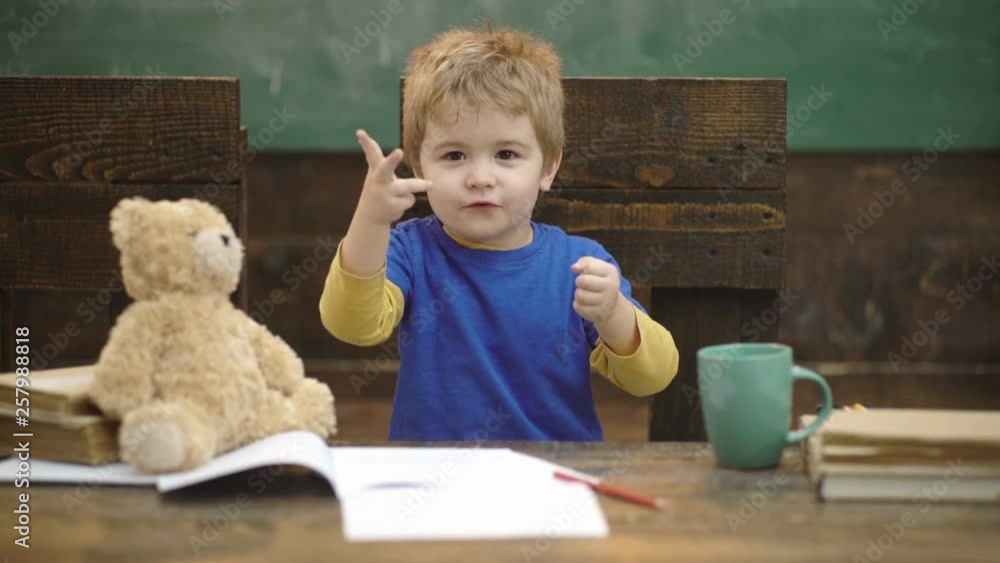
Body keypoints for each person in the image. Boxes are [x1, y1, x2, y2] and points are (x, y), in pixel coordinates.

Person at [320, 24, 679, 441]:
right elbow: (351, 325)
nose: (480, 178)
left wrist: (614, 313)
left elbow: (653, 377)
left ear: (547, 168)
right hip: (432, 486)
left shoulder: (580, 264)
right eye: (454, 155)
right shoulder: (408, 250)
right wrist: (371, 219)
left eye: (506, 154)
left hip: (551, 485)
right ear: (419, 168)